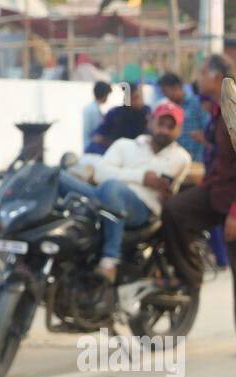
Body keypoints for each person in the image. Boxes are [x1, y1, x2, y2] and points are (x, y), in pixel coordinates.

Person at [161, 54, 236, 357]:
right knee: (175, 211)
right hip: (219, 190)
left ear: (216, 77)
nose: (197, 77)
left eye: (201, 72)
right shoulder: (215, 109)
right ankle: (190, 274)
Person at [59, 102, 190, 282]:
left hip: (140, 208)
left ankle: (109, 260)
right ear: (151, 121)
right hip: (103, 196)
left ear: (179, 130)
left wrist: (121, 177)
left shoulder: (180, 157)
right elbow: (100, 173)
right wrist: (141, 177)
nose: (164, 131)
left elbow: (110, 177)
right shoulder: (125, 145)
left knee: (113, 187)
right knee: (55, 176)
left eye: (171, 127)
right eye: (161, 124)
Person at [86, 83, 149, 155]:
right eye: (135, 98)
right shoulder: (115, 114)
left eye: (139, 97)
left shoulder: (146, 113)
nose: (139, 101)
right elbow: (98, 134)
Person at [82, 81, 111, 152]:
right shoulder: (94, 110)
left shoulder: (91, 108)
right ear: (104, 95)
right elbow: (96, 134)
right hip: (92, 146)